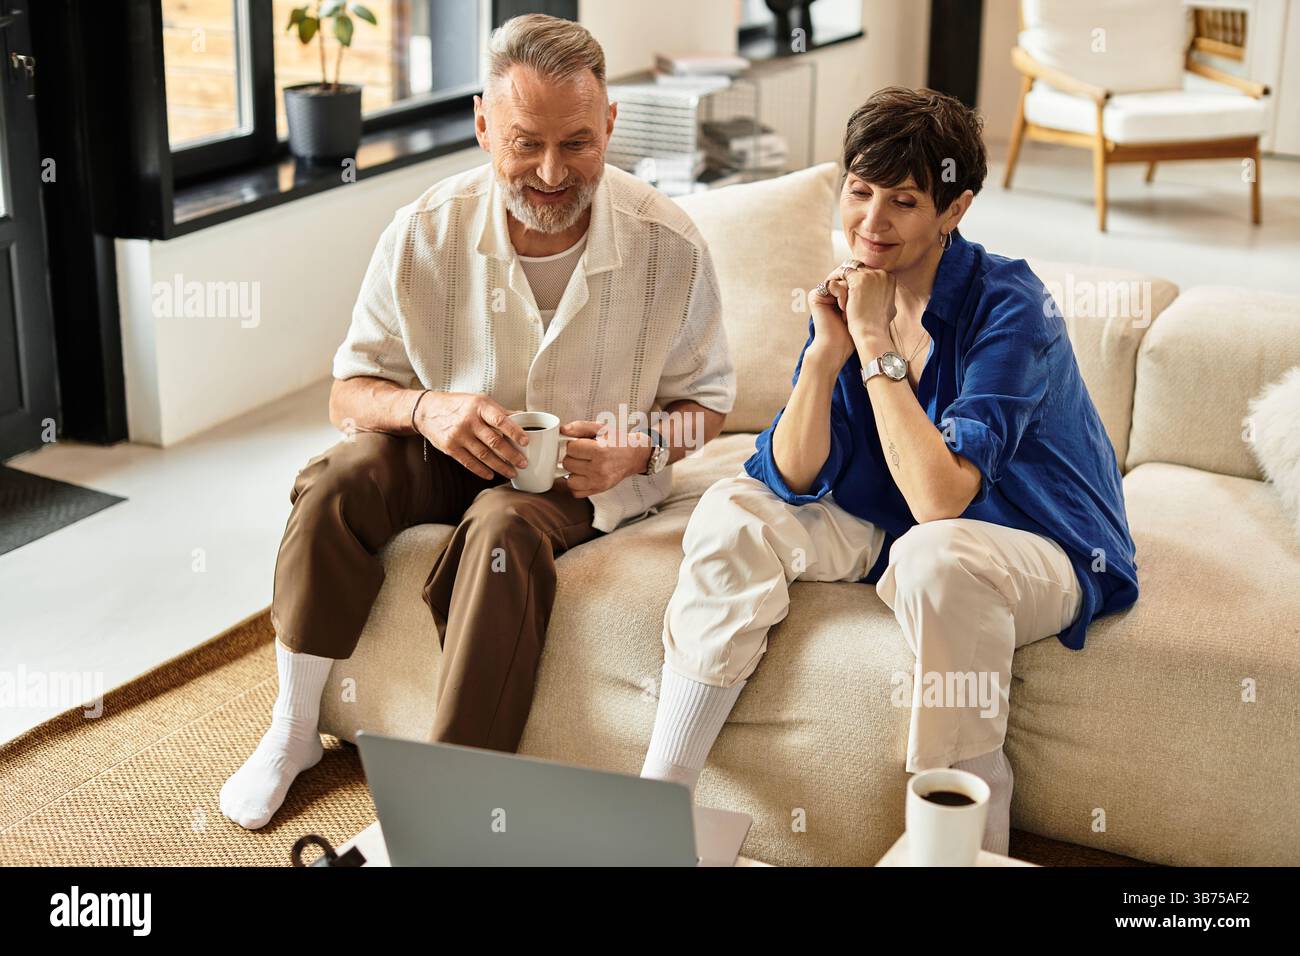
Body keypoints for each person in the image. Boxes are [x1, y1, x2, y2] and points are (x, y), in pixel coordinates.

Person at [220, 14, 734, 830]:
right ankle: (292, 731)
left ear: (609, 124)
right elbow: (349, 394)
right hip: (443, 448)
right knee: (338, 477)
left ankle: (453, 805)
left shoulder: (668, 244)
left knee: (502, 529)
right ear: (483, 124)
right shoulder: (423, 230)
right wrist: (427, 407)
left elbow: (707, 407)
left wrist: (640, 449)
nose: (553, 171)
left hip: (577, 477)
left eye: (576, 142)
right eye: (526, 143)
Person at [639, 87, 1138, 855]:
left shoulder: (1012, 306)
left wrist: (874, 342)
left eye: (903, 201)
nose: (871, 223)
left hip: (1040, 539)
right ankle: (657, 804)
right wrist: (823, 355)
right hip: (895, 521)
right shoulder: (853, 294)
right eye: (860, 192)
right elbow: (795, 474)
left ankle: (963, 845)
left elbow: (942, 500)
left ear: (954, 209)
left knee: (934, 556)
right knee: (733, 510)